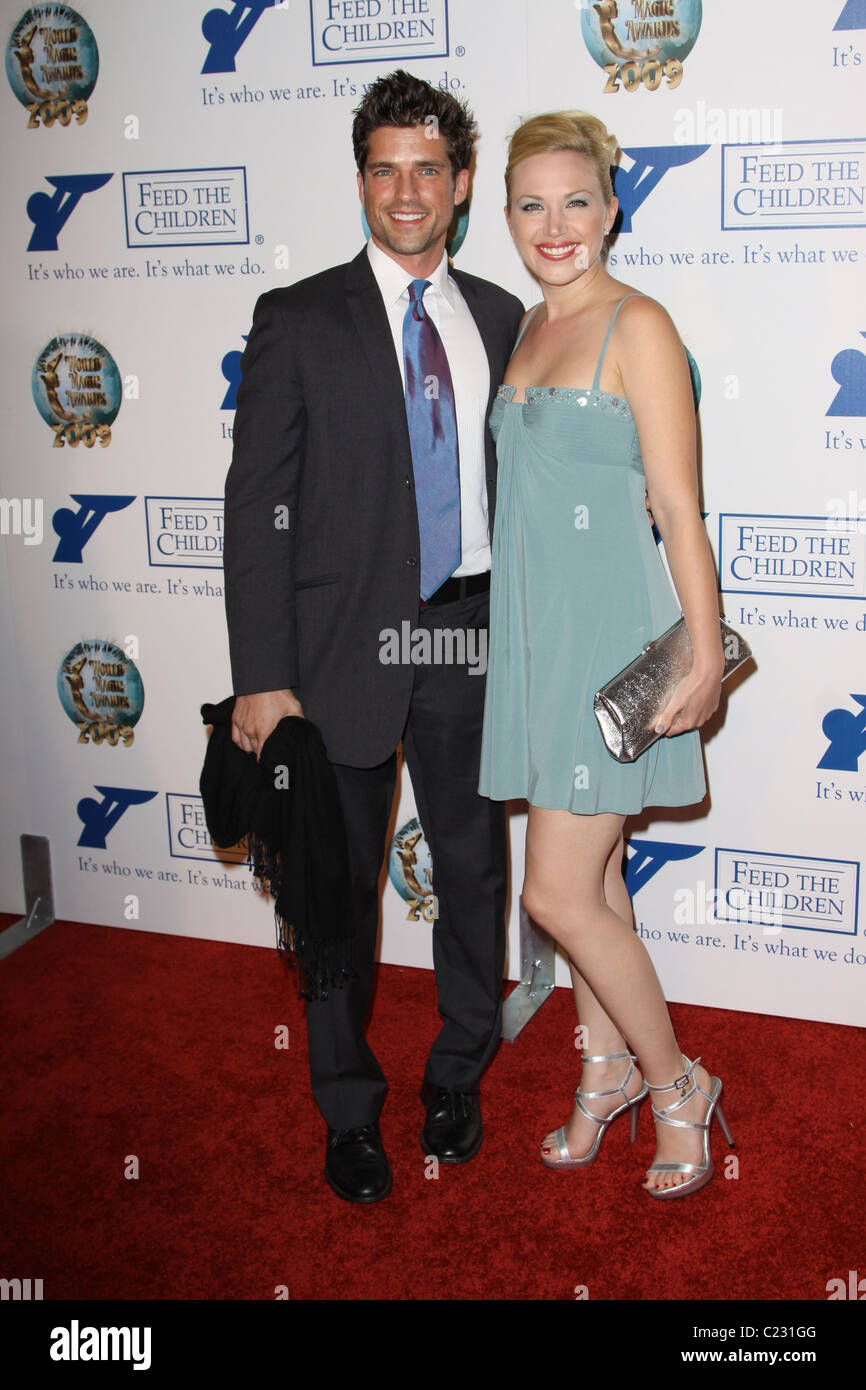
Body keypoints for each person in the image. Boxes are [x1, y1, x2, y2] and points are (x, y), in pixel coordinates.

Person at [222, 70, 524, 1204]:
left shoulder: (499, 316)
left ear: (457, 186)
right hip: (339, 648)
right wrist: (263, 678)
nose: (406, 190)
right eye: (384, 167)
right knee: (334, 893)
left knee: (471, 868)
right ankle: (348, 1107)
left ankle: (458, 1071)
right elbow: (256, 507)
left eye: (427, 170)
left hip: (467, 636)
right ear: (361, 179)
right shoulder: (296, 318)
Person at [478, 111, 735, 1199]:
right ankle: (602, 1071)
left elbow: (678, 508)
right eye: (530, 203)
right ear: (504, 217)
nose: (553, 224)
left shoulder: (637, 325)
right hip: (533, 647)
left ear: (611, 207)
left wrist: (702, 656)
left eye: (574, 199)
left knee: (553, 896)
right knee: (595, 885)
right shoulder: (526, 331)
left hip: (607, 647)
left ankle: (678, 1084)